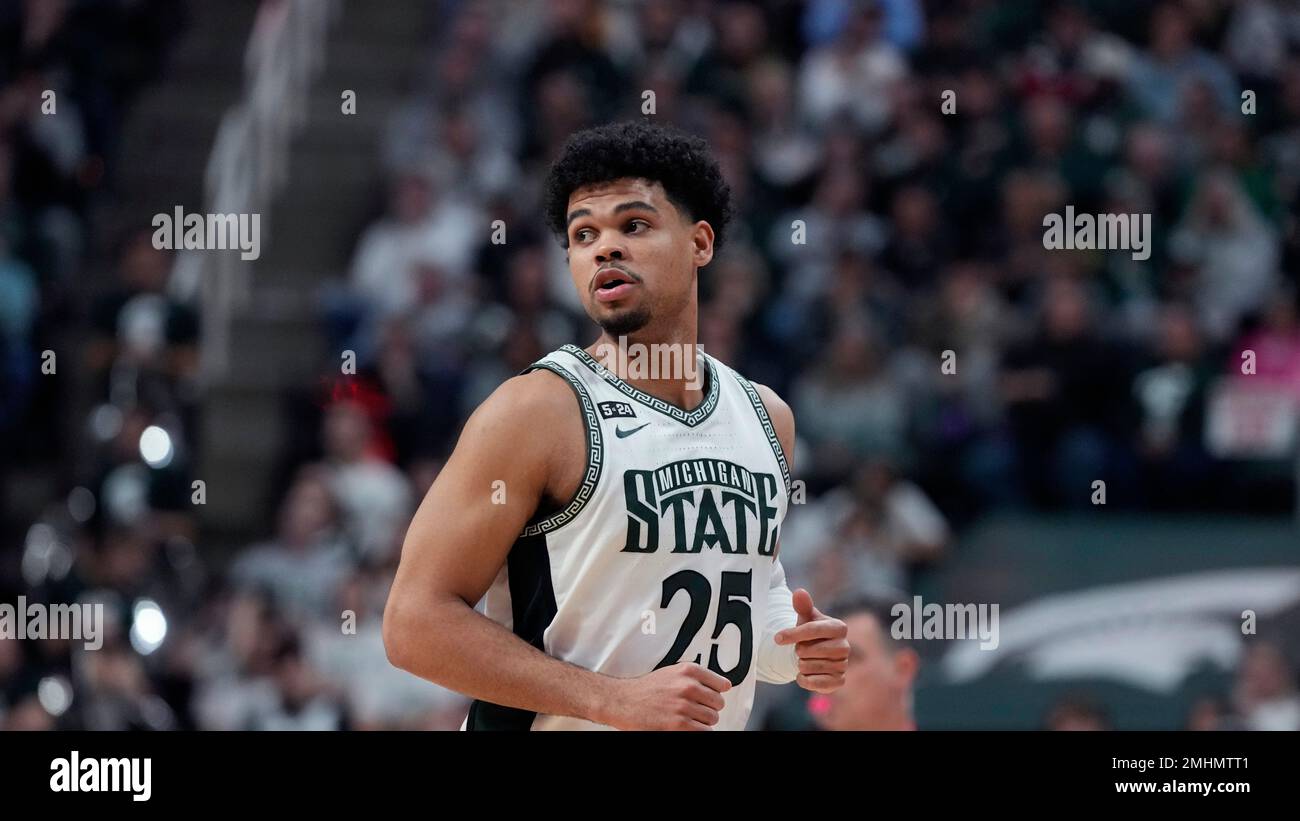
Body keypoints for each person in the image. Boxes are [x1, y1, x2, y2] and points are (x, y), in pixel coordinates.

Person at [383, 120, 848, 730]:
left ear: (700, 243)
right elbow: (414, 624)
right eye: (583, 234)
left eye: (634, 225)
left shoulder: (765, 416)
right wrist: (612, 700)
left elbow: (747, 594)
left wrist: (794, 647)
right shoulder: (537, 411)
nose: (605, 248)